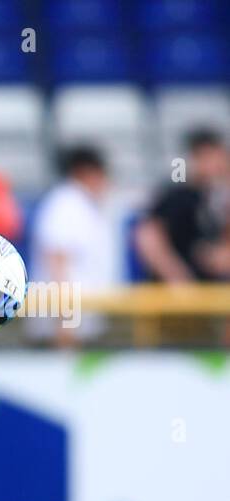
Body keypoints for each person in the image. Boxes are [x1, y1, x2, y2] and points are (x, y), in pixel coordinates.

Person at [27, 146, 121, 346]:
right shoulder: (67, 204)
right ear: (85, 172)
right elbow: (57, 262)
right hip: (66, 329)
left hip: (82, 325)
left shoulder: (84, 206)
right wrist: (66, 322)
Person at [135, 128, 230, 283]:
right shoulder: (178, 194)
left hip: (210, 294)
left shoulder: (216, 197)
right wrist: (176, 276)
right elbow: (147, 235)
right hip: (179, 298)